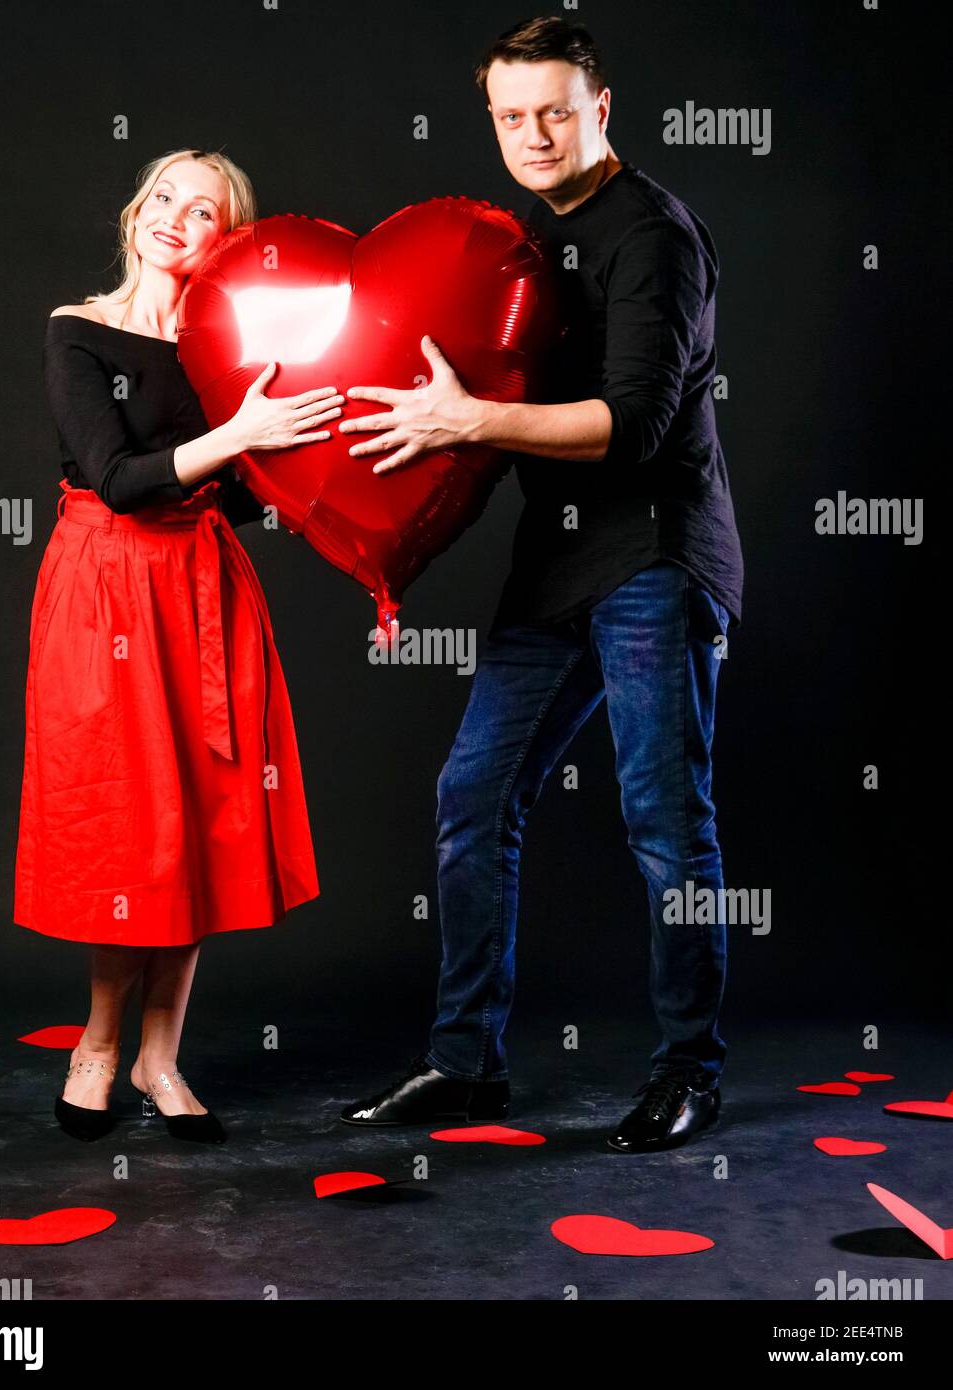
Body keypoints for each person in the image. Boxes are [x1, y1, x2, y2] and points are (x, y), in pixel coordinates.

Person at [338, 17, 744, 1152]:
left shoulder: (651, 235)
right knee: (472, 795)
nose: (533, 133)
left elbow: (634, 422)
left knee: (665, 821)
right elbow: (458, 398)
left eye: (555, 110)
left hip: (657, 556)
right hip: (556, 562)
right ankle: (464, 1066)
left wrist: (467, 417)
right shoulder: (518, 233)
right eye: (511, 116)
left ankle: (688, 1070)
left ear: (599, 107)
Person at [14, 148, 344, 1143]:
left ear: (222, 243)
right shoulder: (78, 330)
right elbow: (118, 478)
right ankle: (99, 1044)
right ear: (134, 212)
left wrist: (309, 468)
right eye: (164, 197)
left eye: (202, 212)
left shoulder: (228, 356)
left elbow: (236, 495)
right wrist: (242, 433)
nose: (174, 218)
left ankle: (162, 1055)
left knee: (202, 819)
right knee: (129, 827)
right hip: (106, 587)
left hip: (202, 589)